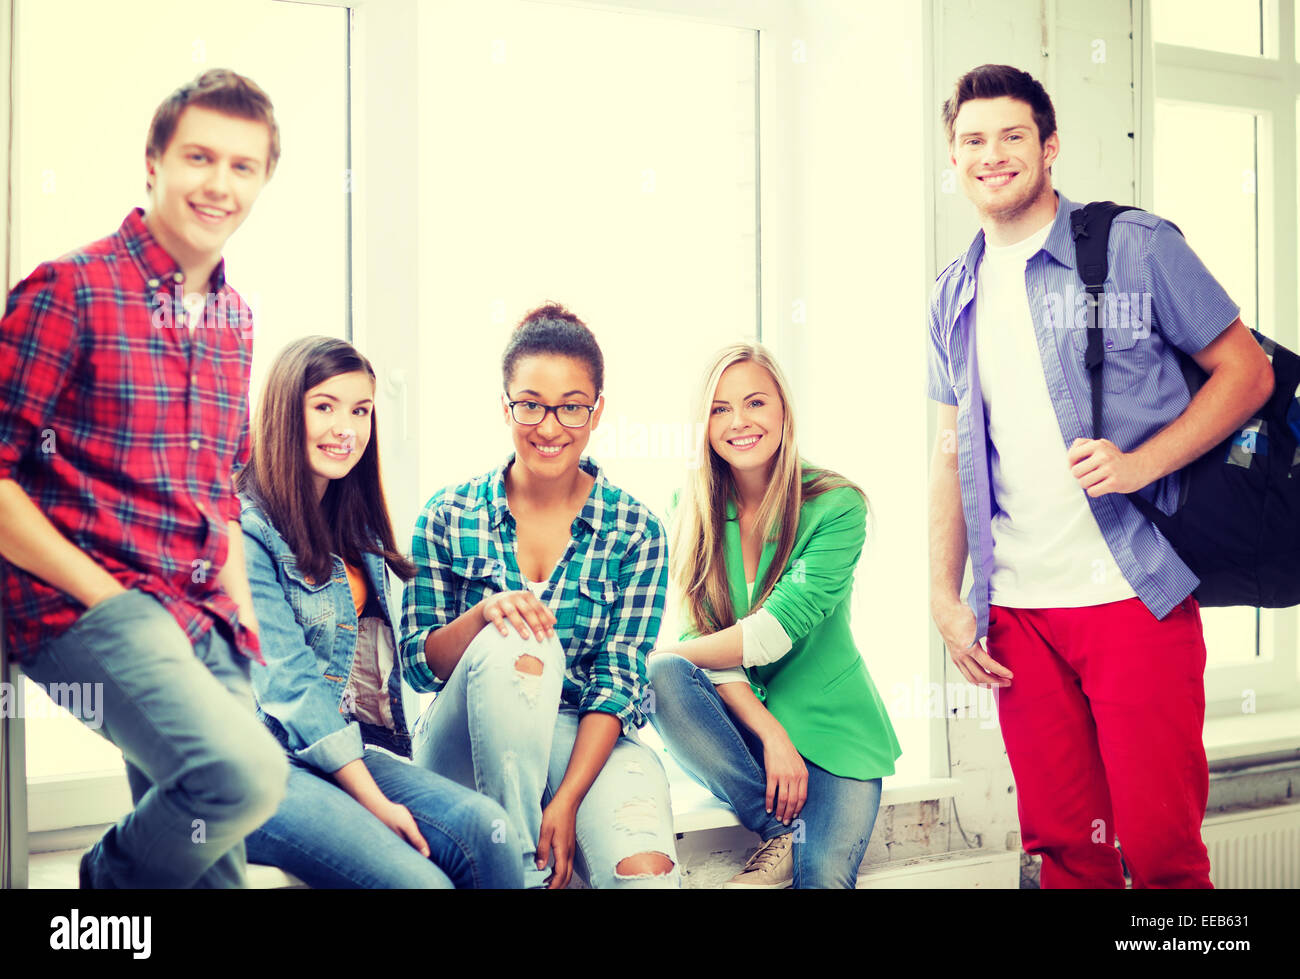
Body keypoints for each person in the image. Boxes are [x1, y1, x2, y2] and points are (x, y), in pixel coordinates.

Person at [926, 64, 1274, 888]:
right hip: (1017, 614)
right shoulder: (953, 293)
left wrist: (1140, 463)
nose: (992, 154)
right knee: (1063, 854)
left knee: (1161, 854)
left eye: (1012, 136)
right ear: (954, 158)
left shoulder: (1133, 246)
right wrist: (946, 593)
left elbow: (1247, 373)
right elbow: (949, 448)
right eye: (972, 140)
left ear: (1049, 147)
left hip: (1131, 594)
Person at [0, 70, 289, 887]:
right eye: (200, 156)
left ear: (263, 180)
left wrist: (240, 614)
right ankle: (103, 892)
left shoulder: (235, 319)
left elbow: (219, 488)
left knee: (214, 866)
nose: (219, 183)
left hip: (203, 612)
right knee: (245, 777)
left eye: (243, 166)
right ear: (154, 162)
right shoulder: (71, 289)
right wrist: (112, 598)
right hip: (88, 606)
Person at [400, 303, 679, 889]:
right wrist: (482, 617)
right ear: (505, 405)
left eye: (571, 406)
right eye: (530, 404)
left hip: (582, 735)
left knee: (645, 874)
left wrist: (569, 800)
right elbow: (417, 669)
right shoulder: (449, 514)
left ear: (596, 411)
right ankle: (518, 873)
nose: (549, 427)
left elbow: (618, 679)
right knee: (512, 644)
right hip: (465, 742)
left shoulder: (636, 531)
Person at [236, 337, 522, 888]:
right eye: (324, 406)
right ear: (282, 412)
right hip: (252, 765)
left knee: (488, 830)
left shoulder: (352, 524)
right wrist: (373, 801)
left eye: (361, 410)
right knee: (422, 883)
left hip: (339, 753)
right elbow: (291, 686)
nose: (347, 428)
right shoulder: (244, 531)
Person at [646, 341, 901, 889]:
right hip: (746, 738)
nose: (739, 421)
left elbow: (766, 635)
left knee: (824, 877)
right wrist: (770, 736)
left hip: (835, 735)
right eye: (719, 408)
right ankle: (775, 829)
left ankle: (790, 838)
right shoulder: (688, 510)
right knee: (661, 677)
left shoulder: (837, 505)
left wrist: (662, 649)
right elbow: (708, 642)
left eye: (755, 403)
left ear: (783, 410)